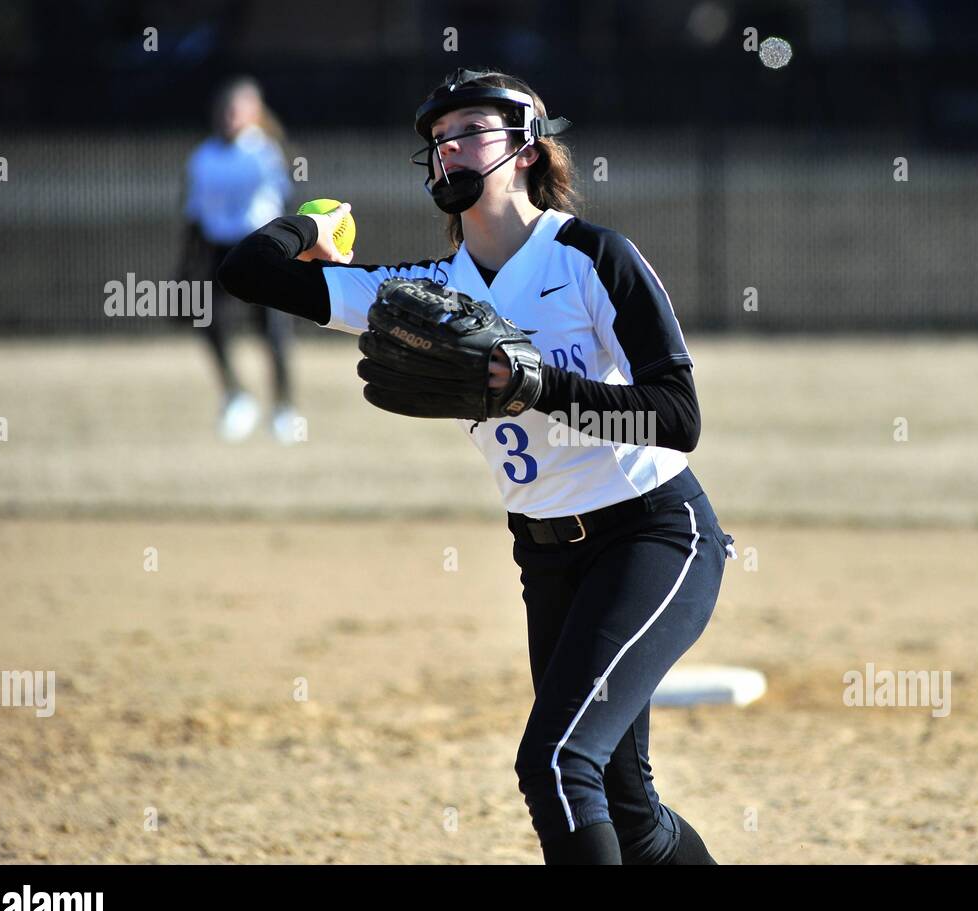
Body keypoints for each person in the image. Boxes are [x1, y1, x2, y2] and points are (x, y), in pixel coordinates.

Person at [218, 67, 736, 865]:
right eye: (435, 141)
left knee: (557, 763)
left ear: (527, 147)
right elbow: (245, 274)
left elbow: (679, 417)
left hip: (654, 535)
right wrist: (309, 224)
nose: (446, 151)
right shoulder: (425, 292)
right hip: (547, 555)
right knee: (629, 810)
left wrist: (540, 385)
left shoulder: (593, 258)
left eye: (467, 133)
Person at [180, 76, 300, 443]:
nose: (232, 115)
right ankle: (236, 397)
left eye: (240, 108)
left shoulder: (268, 153)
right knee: (208, 320)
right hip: (221, 250)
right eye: (227, 109)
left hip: (263, 248)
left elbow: (289, 203)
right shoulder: (203, 157)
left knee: (274, 332)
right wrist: (186, 268)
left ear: (255, 113)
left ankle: (284, 410)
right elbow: (195, 215)